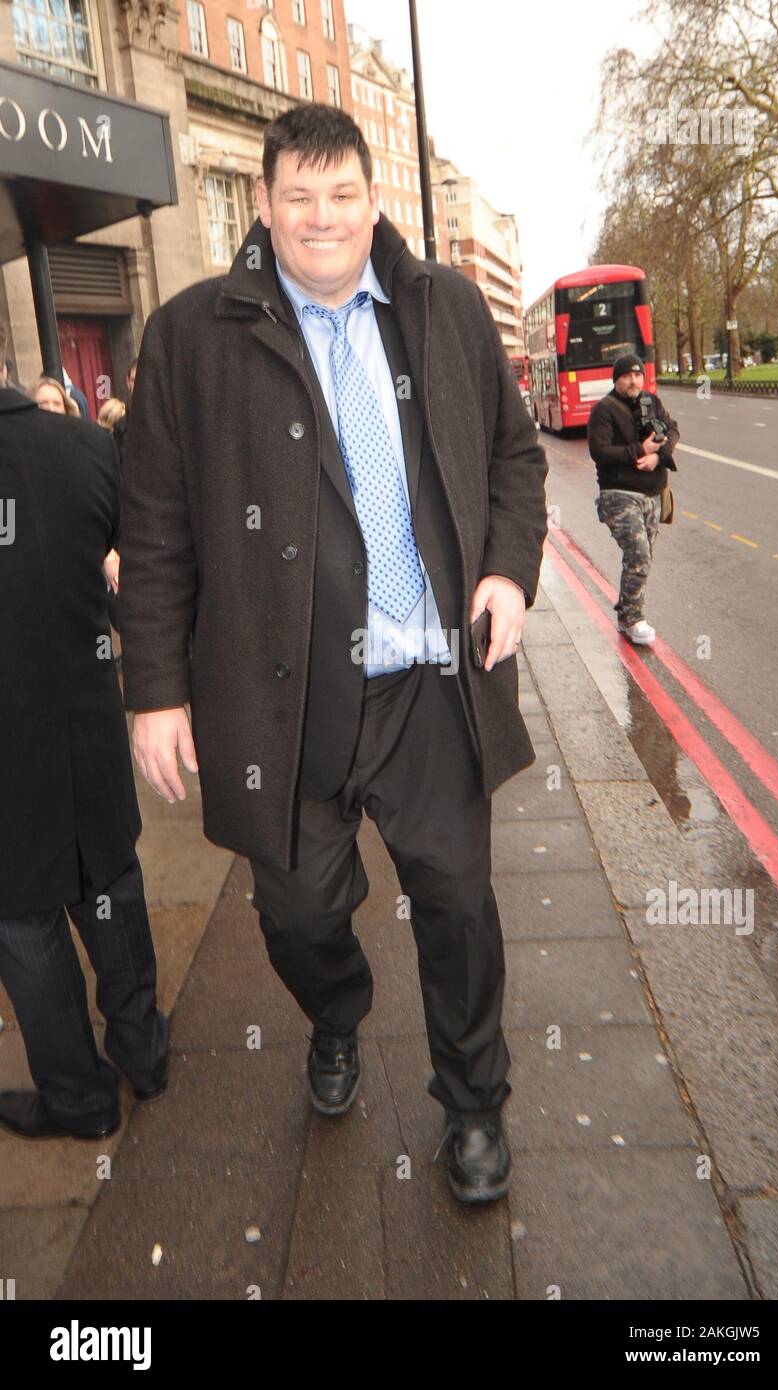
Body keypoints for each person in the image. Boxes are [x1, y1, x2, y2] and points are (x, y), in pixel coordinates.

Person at [119, 104, 548, 1204]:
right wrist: (156, 689)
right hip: (283, 700)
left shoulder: (441, 310)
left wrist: (506, 570)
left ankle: (473, 1103)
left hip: (424, 683)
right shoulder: (187, 339)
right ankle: (339, 1013)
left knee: (457, 900)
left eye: (341, 194)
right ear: (263, 206)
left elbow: (514, 455)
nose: (321, 216)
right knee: (299, 912)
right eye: (297, 196)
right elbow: (157, 524)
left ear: (372, 201)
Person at [0, 334, 169, 1140]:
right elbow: (146, 565)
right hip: (86, 730)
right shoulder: (87, 447)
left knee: (24, 922)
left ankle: (80, 1099)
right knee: (108, 883)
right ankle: (146, 1054)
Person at [587, 354, 679, 645]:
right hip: (619, 494)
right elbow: (600, 452)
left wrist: (657, 456)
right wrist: (639, 450)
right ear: (616, 379)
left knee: (642, 557)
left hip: (653, 494)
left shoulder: (652, 402)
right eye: (627, 376)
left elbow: (673, 430)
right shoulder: (604, 410)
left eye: (638, 375)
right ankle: (634, 618)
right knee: (639, 553)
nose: (633, 380)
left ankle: (625, 611)